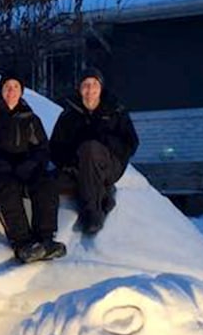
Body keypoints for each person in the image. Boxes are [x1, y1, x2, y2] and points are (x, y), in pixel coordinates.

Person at [0, 73, 66, 264]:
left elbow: (42, 148)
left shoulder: (30, 118)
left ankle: (45, 239)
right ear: (1, 89)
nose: (11, 91)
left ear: (21, 91)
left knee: (46, 184)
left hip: (22, 169)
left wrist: (31, 164)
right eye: (7, 87)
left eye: (15, 87)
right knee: (8, 188)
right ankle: (23, 243)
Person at [50, 67, 139, 235]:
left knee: (90, 148)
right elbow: (55, 147)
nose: (90, 89)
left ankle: (92, 215)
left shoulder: (115, 110)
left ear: (101, 87)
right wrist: (69, 160)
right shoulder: (69, 114)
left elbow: (131, 142)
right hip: (76, 167)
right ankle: (104, 194)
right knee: (48, 182)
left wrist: (104, 143)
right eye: (85, 85)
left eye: (94, 84)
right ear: (79, 88)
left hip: (109, 165)